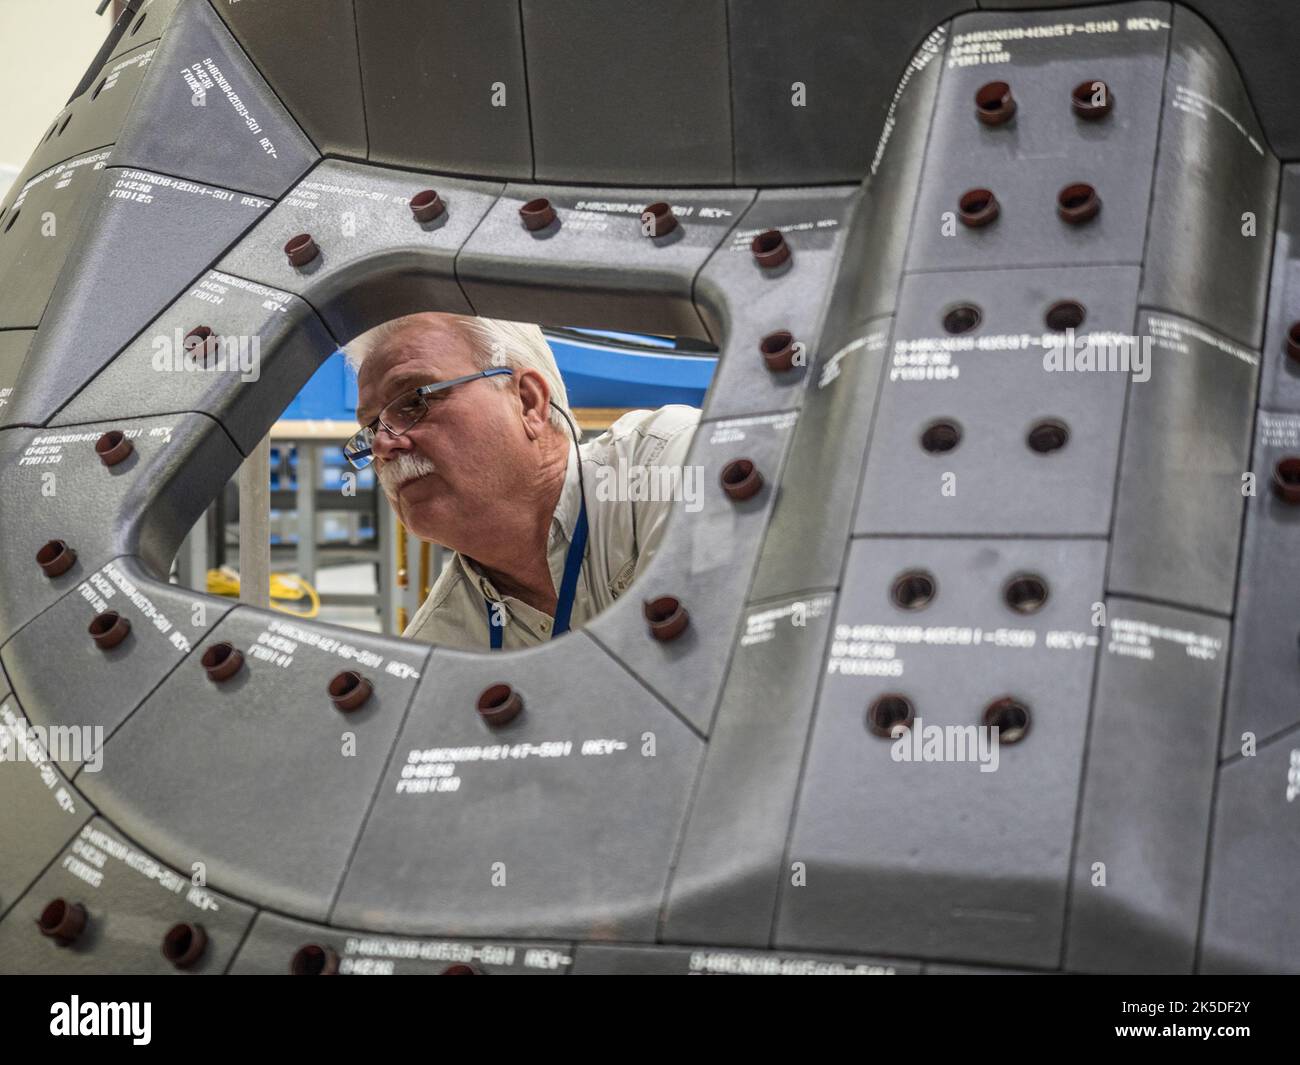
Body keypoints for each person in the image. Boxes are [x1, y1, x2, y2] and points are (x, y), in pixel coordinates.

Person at [343, 312, 701, 650]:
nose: (383, 444)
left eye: (414, 400)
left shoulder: (670, 464)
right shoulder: (438, 648)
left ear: (528, 402)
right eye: (370, 427)